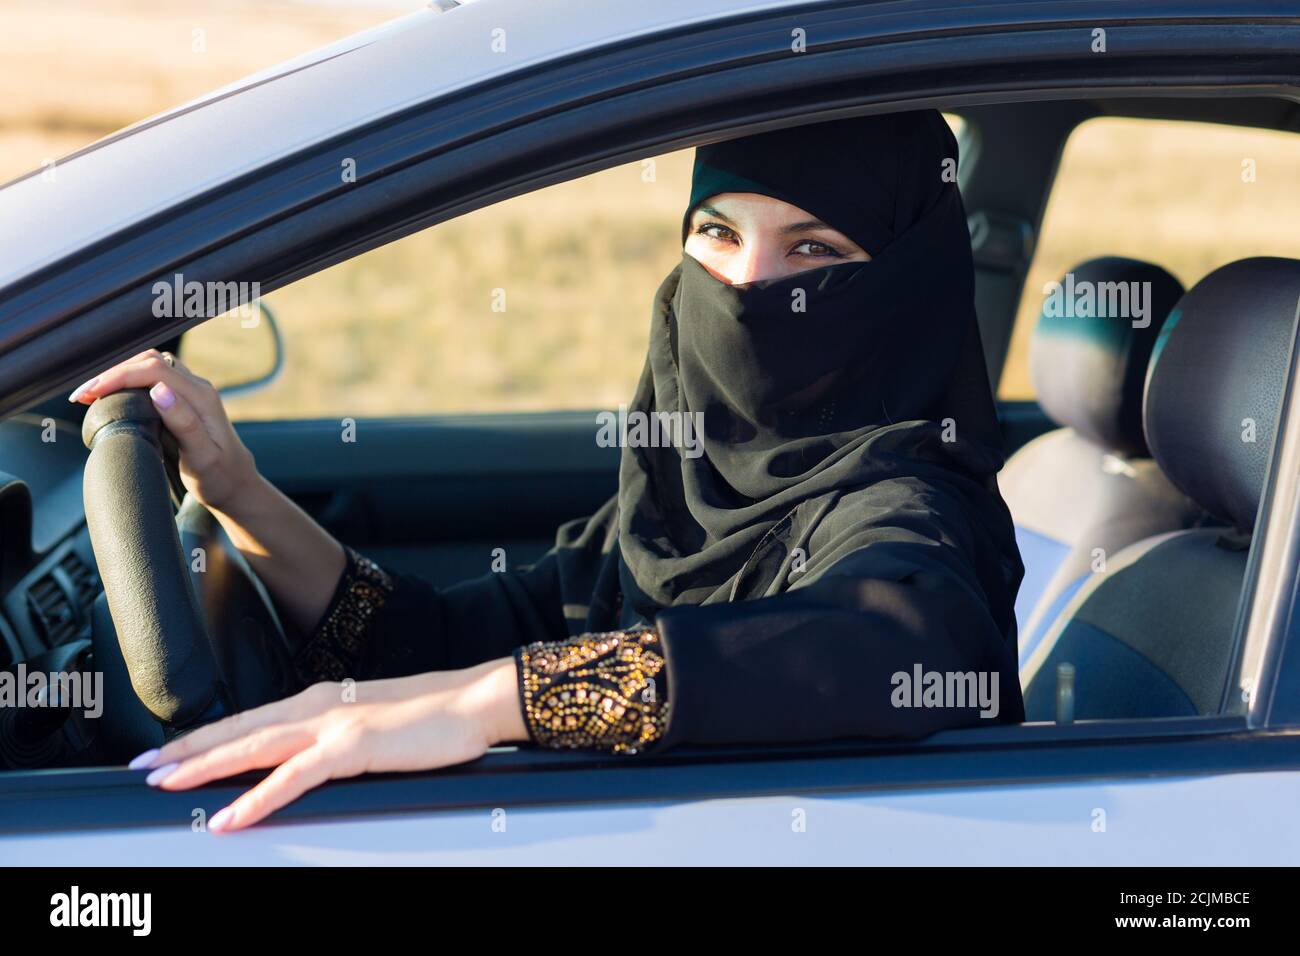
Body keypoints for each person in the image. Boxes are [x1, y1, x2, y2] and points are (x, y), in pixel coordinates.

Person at [70, 110, 1024, 832]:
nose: (740, 287)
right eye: (718, 233)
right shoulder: (685, 487)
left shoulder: (906, 501)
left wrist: (495, 706)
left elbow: (901, 645)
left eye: (812, 249)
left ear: (899, 289)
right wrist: (234, 489)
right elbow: (431, 638)